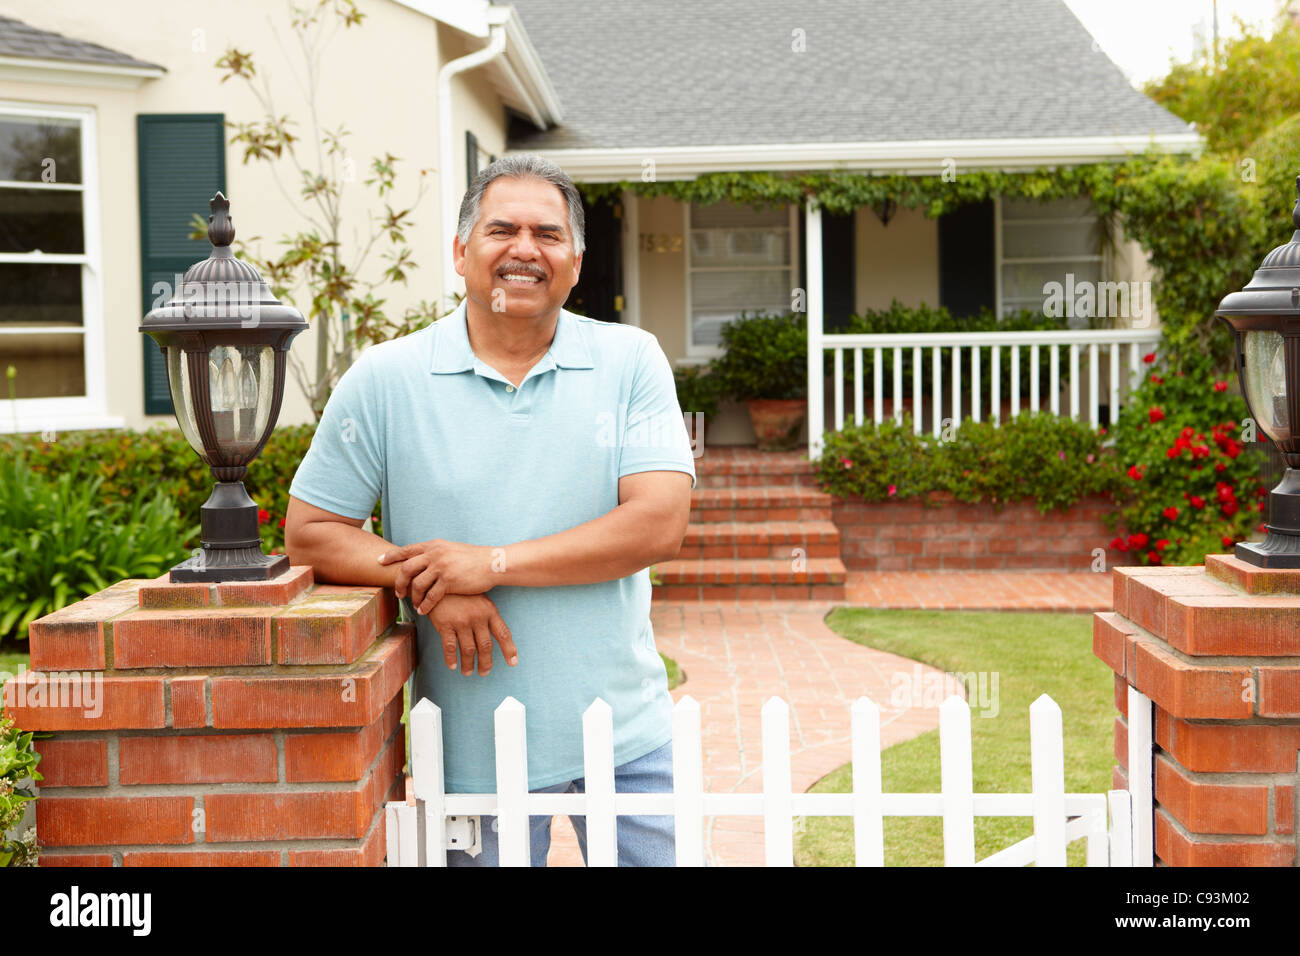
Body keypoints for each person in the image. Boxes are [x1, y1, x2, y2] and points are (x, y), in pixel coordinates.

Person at [284, 153, 696, 866]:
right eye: (502, 229)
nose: (525, 249)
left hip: (627, 734)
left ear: (573, 262)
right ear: (460, 252)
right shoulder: (387, 377)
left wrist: (490, 565)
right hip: (471, 748)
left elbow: (658, 524)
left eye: (549, 234)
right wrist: (431, 583)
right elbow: (312, 533)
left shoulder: (631, 360)